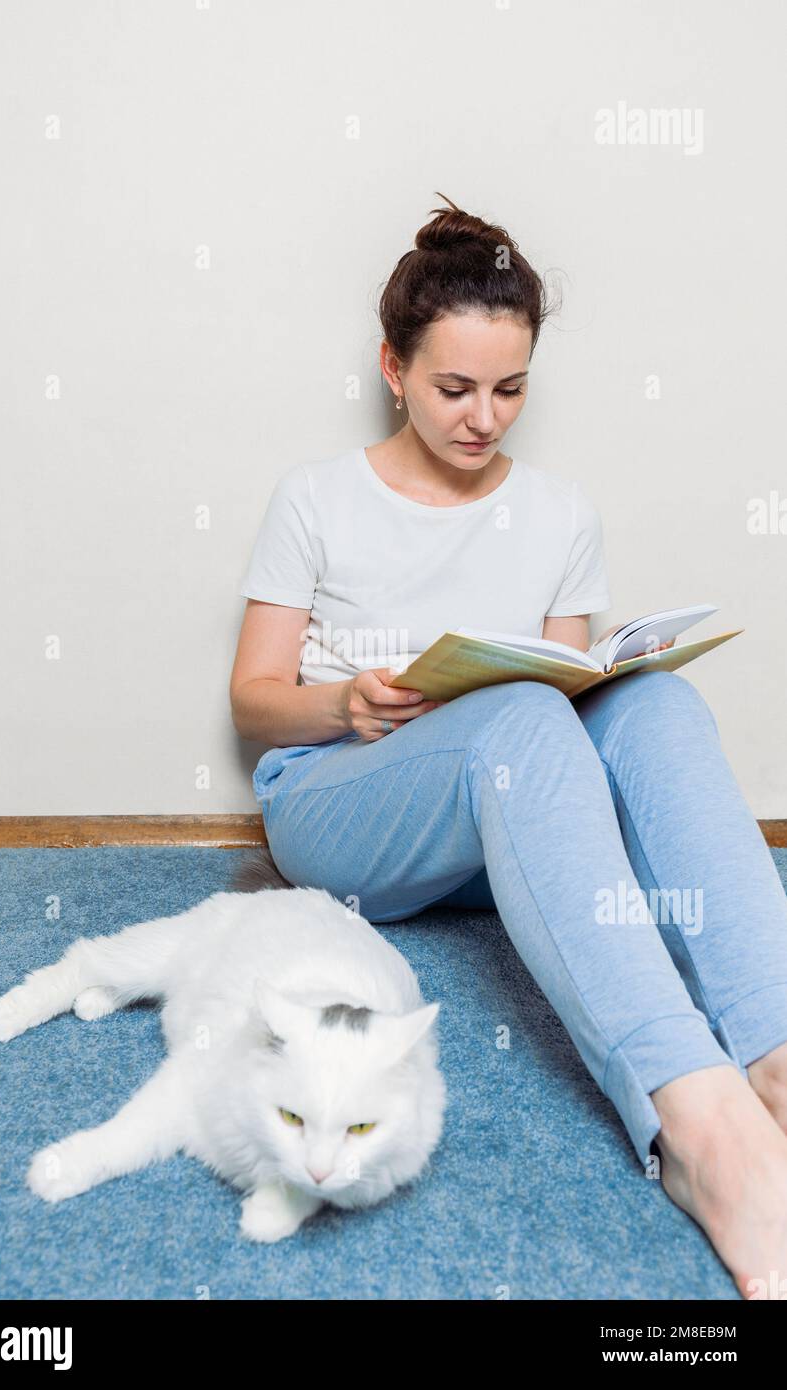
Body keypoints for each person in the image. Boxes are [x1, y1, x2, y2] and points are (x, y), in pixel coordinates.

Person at [229, 194, 787, 1299]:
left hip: (504, 813)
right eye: (451, 388)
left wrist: (600, 684)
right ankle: (702, 1127)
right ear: (391, 368)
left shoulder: (557, 511)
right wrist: (344, 704)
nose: (483, 418)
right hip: (340, 805)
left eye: (509, 389)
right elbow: (253, 700)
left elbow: (570, 697)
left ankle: (772, 1053)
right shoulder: (316, 498)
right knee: (523, 718)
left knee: (655, 707)